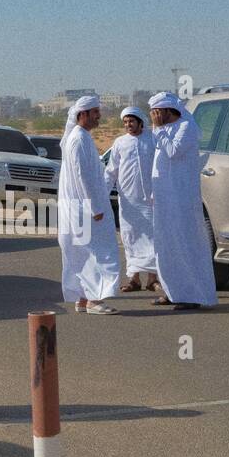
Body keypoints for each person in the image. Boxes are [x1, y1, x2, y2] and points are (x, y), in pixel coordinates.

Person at [149, 92, 218, 310]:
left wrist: (159, 129)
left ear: (168, 110)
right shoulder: (161, 129)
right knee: (166, 245)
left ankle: (191, 294)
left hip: (181, 198)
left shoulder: (185, 127)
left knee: (184, 244)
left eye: (157, 112)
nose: (154, 117)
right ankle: (173, 291)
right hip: (163, 198)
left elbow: (172, 152)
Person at [57, 95, 120, 314]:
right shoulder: (78, 139)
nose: (99, 117)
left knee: (83, 252)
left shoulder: (80, 137)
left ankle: (83, 298)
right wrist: (95, 208)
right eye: (95, 113)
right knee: (99, 252)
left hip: (81, 206)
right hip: (86, 208)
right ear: (82, 114)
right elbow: (83, 176)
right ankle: (95, 300)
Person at [104, 105, 158, 292]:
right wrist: (103, 194)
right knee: (130, 237)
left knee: (153, 237)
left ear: (140, 122)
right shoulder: (119, 143)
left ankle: (153, 279)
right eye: (125, 122)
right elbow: (111, 171)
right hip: (128, 200)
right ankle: (134, 279)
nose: (128, 125)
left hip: (150, 200)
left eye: (131, 121)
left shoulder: (152, 139)